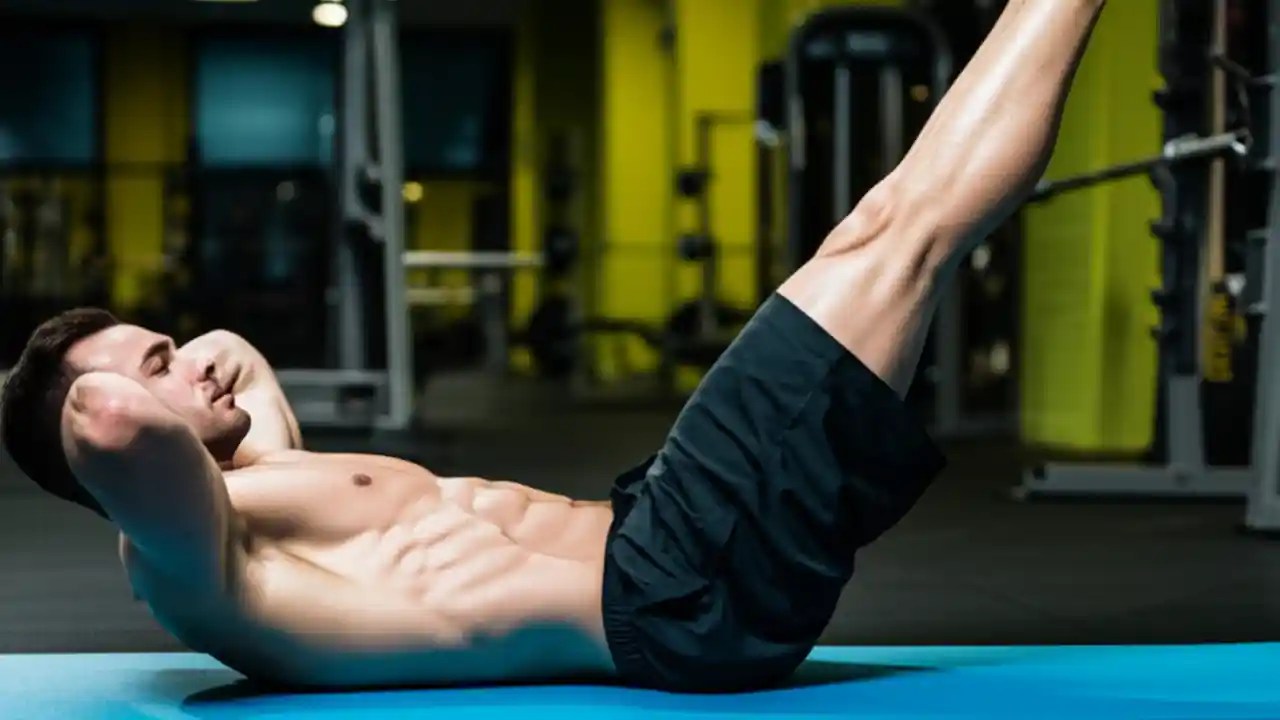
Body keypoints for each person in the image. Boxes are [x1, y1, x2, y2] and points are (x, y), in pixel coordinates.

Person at [0, 0, 1107, 693]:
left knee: (898, 236)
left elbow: (233, 354)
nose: (190, 360)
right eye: (158, 365)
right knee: (893, 229)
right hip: (673, 584)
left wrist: (168, 370)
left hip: (666, 552)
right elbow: (107, 419)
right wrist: (97, 389)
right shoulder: (192, 560)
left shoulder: (258, 480)